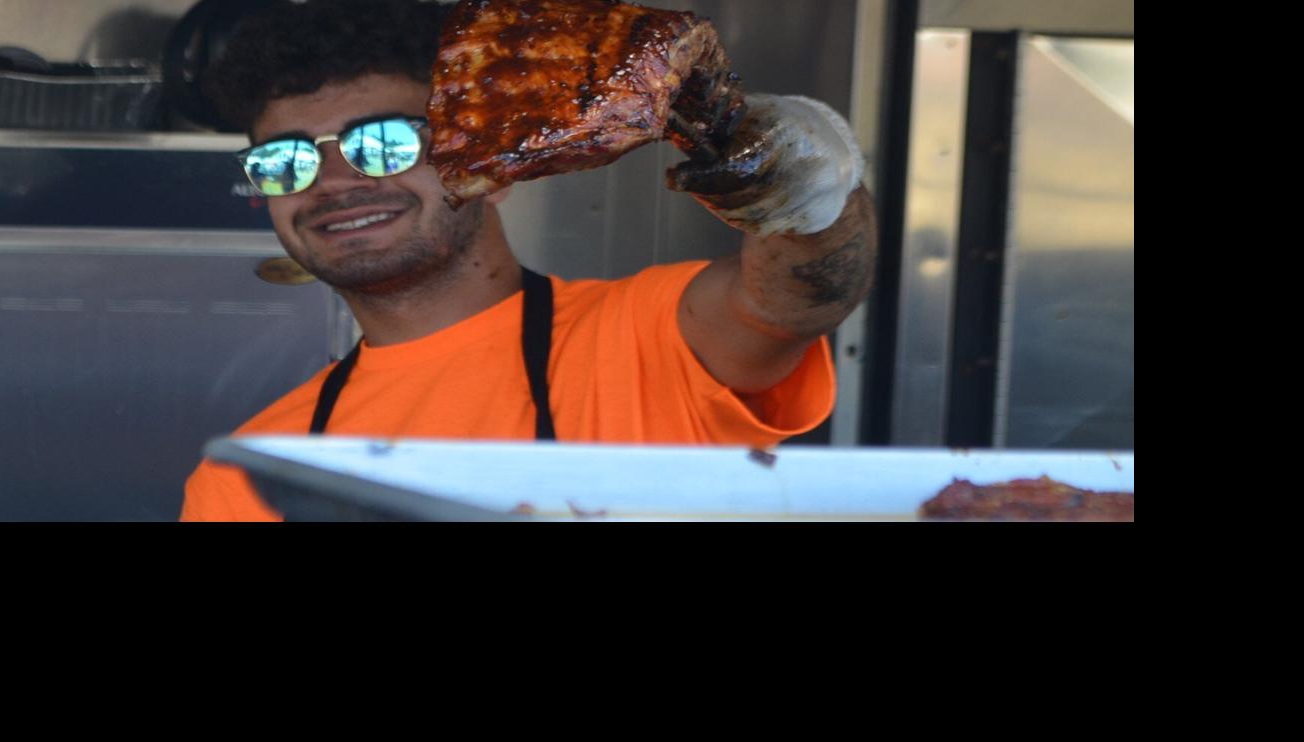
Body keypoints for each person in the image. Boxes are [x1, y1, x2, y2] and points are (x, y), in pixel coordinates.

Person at [179, 0, 876, 521]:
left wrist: (804, 180)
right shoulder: (255, 468)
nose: (330, 182)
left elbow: (802, 295)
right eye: (285, 159)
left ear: (490, 167)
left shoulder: (648, 339)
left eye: (385, 142)